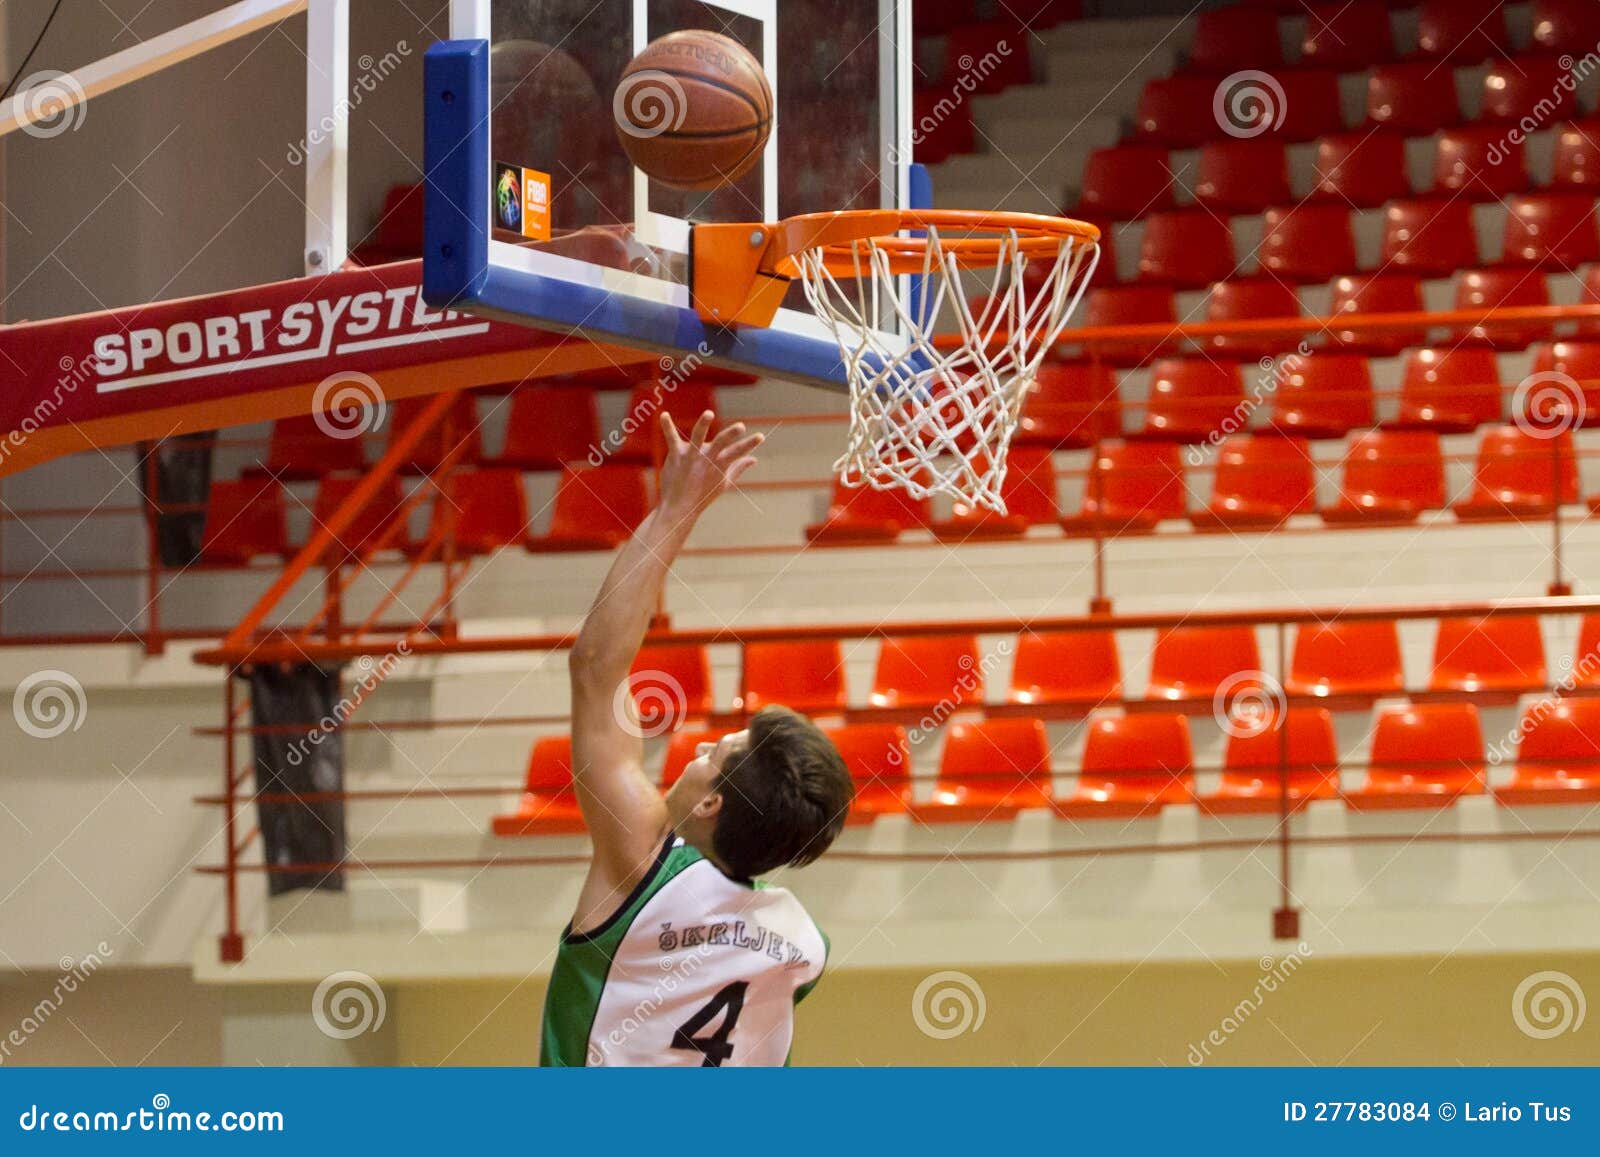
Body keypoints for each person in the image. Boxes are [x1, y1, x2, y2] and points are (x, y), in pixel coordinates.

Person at [540, 410, 855, 1067]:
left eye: (714, 753)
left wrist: (677, 509)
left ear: (712, 803)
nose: (699, 749)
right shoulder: (802, 943)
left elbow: (597, 669)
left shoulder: (643, 867)